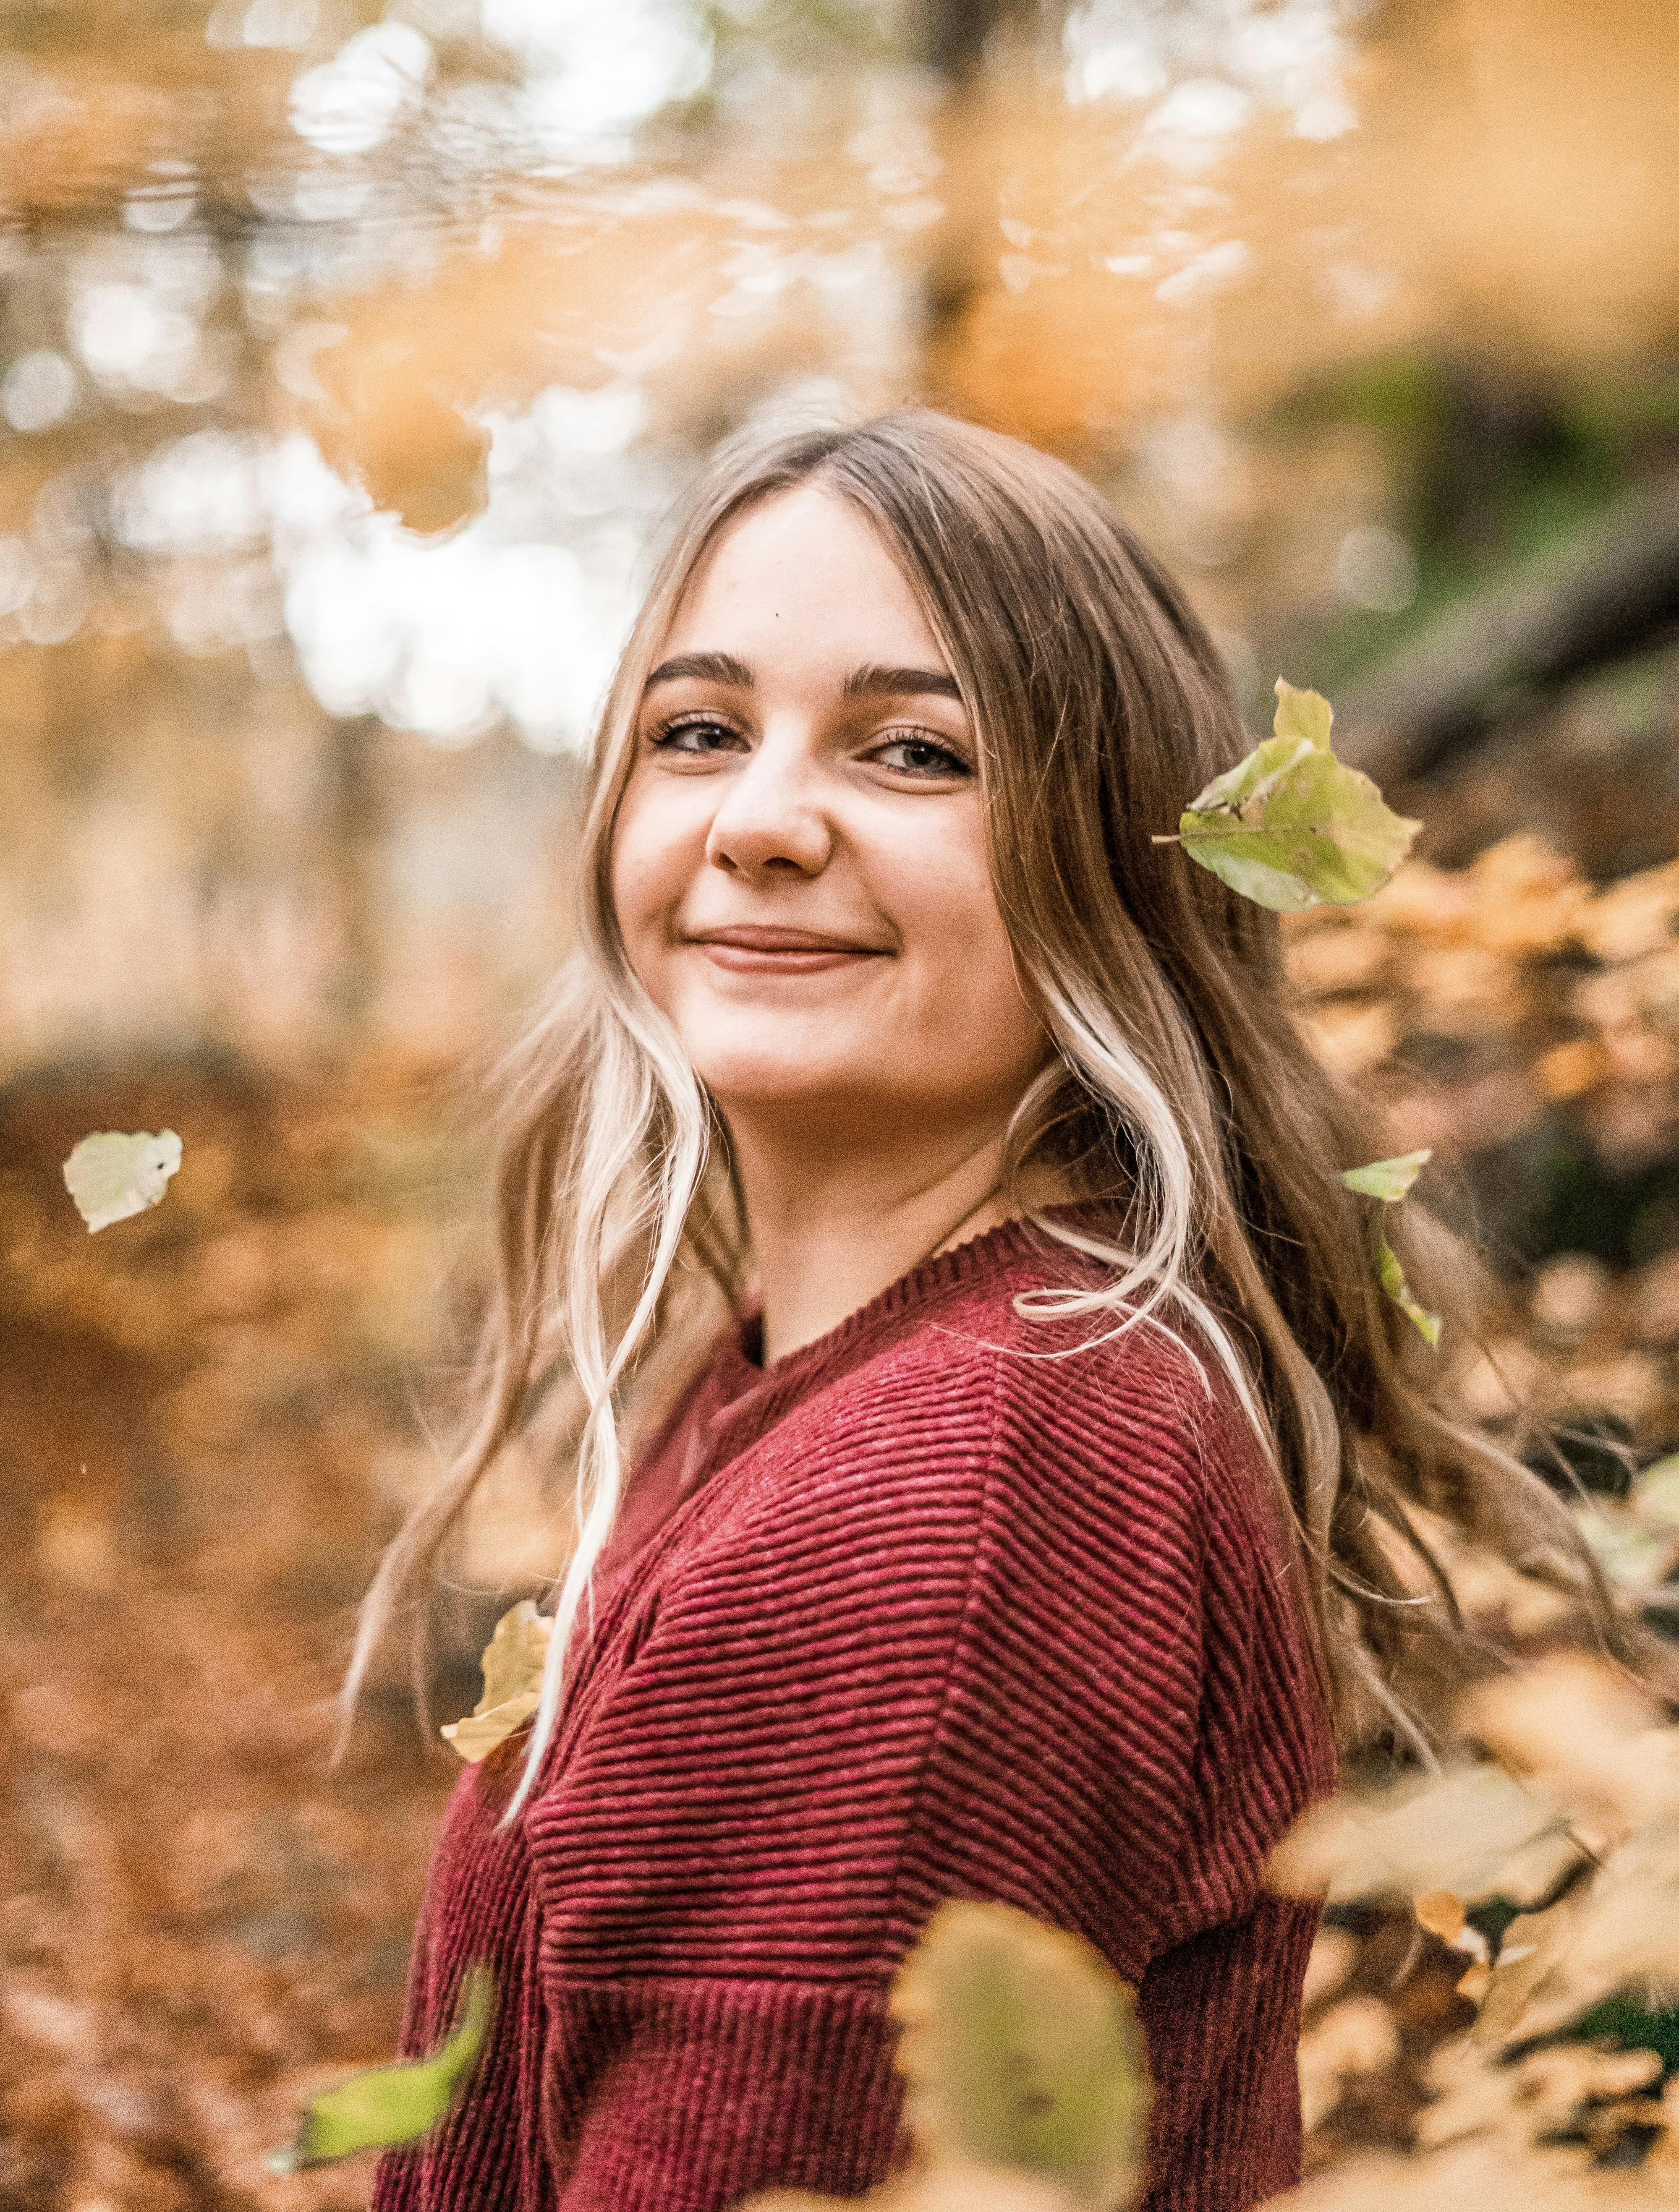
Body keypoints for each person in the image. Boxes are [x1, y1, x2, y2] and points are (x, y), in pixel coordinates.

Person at [351, 408, 1602, 2212]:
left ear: (1107, 862)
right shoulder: (800, 1378)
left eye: (915, 752)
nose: (762, 821)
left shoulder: (955, 1485)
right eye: (697, 732)